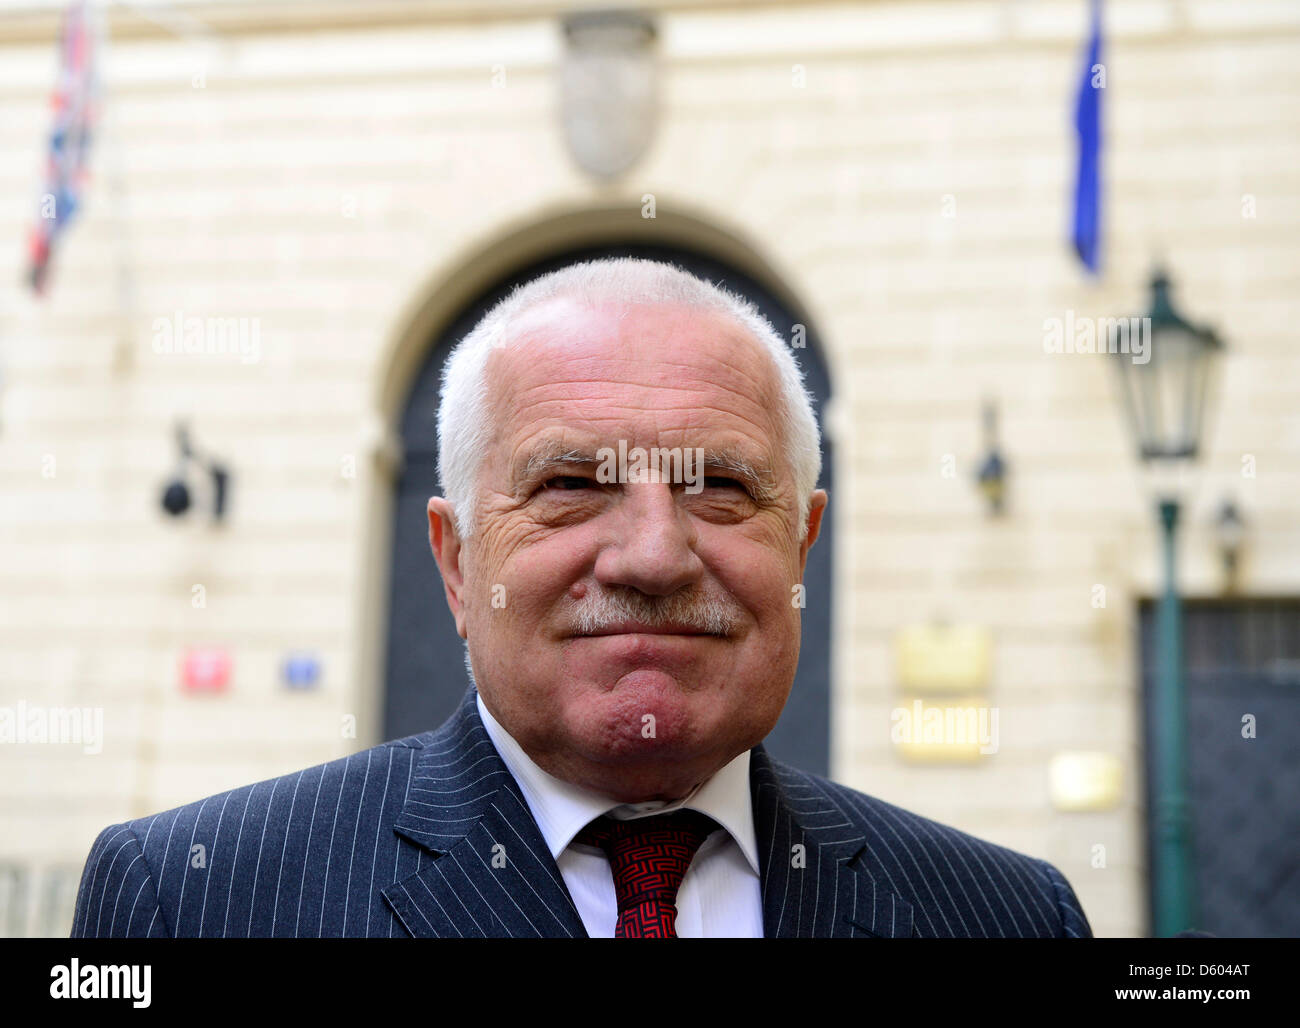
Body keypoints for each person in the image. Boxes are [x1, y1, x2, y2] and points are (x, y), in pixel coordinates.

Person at [71, 257, 1092, 938]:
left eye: (721, 486)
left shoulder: (1003, 915)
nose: (652, 555)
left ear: (801, 546)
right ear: (456, 560)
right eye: (570, 484)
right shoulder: (197, 899)